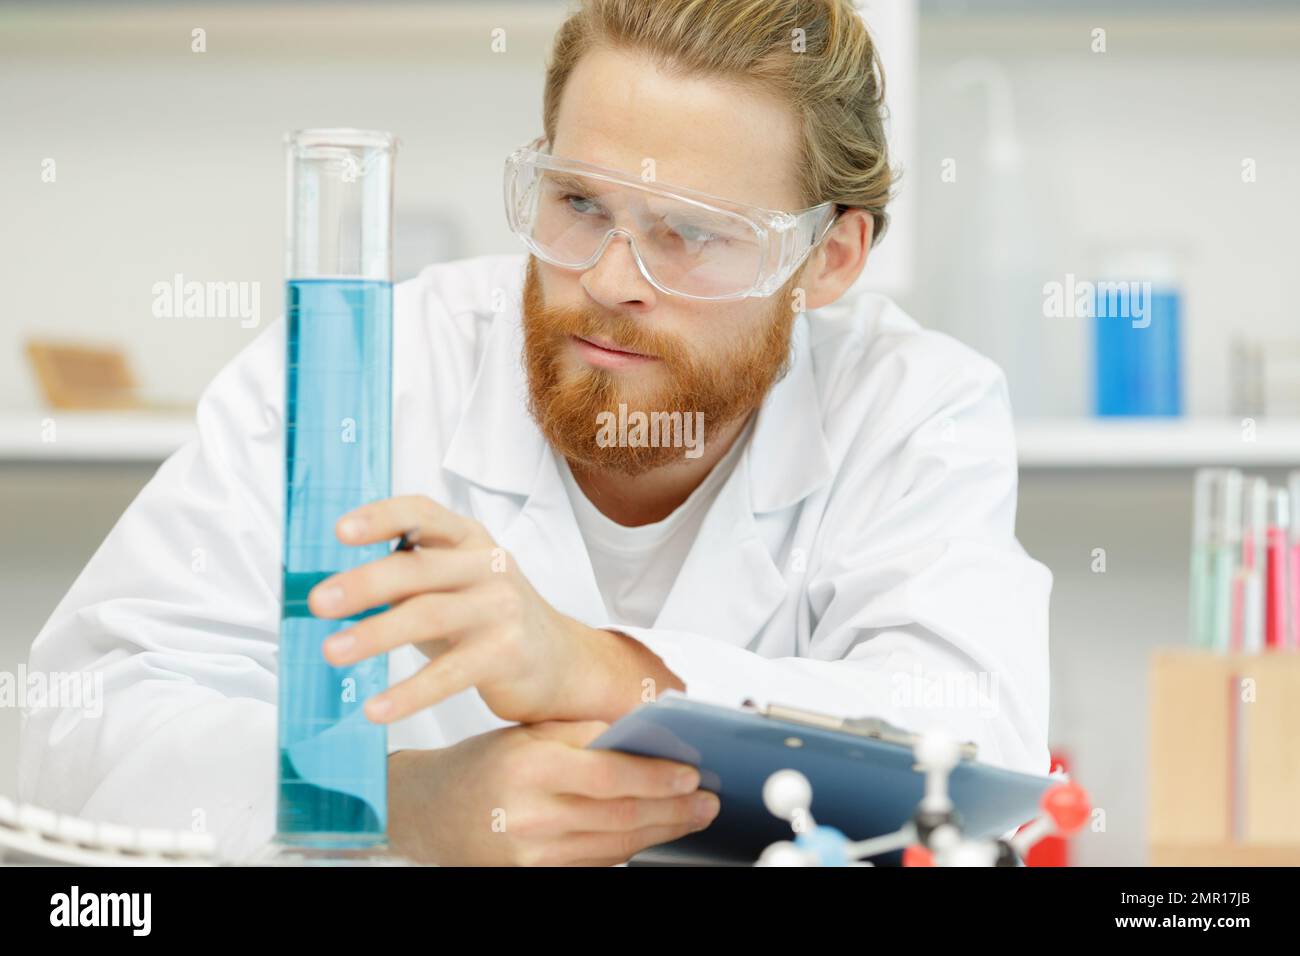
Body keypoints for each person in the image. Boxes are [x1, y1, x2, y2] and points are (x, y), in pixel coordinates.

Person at [21, 0, 1050, 866]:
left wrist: (606, 669)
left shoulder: (910, 406)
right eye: (577, 204)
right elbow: (75, 728)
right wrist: (397, 802)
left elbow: (976, 757)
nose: (607, 279)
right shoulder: (361, 369)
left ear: (829, 258)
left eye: (687, 233)